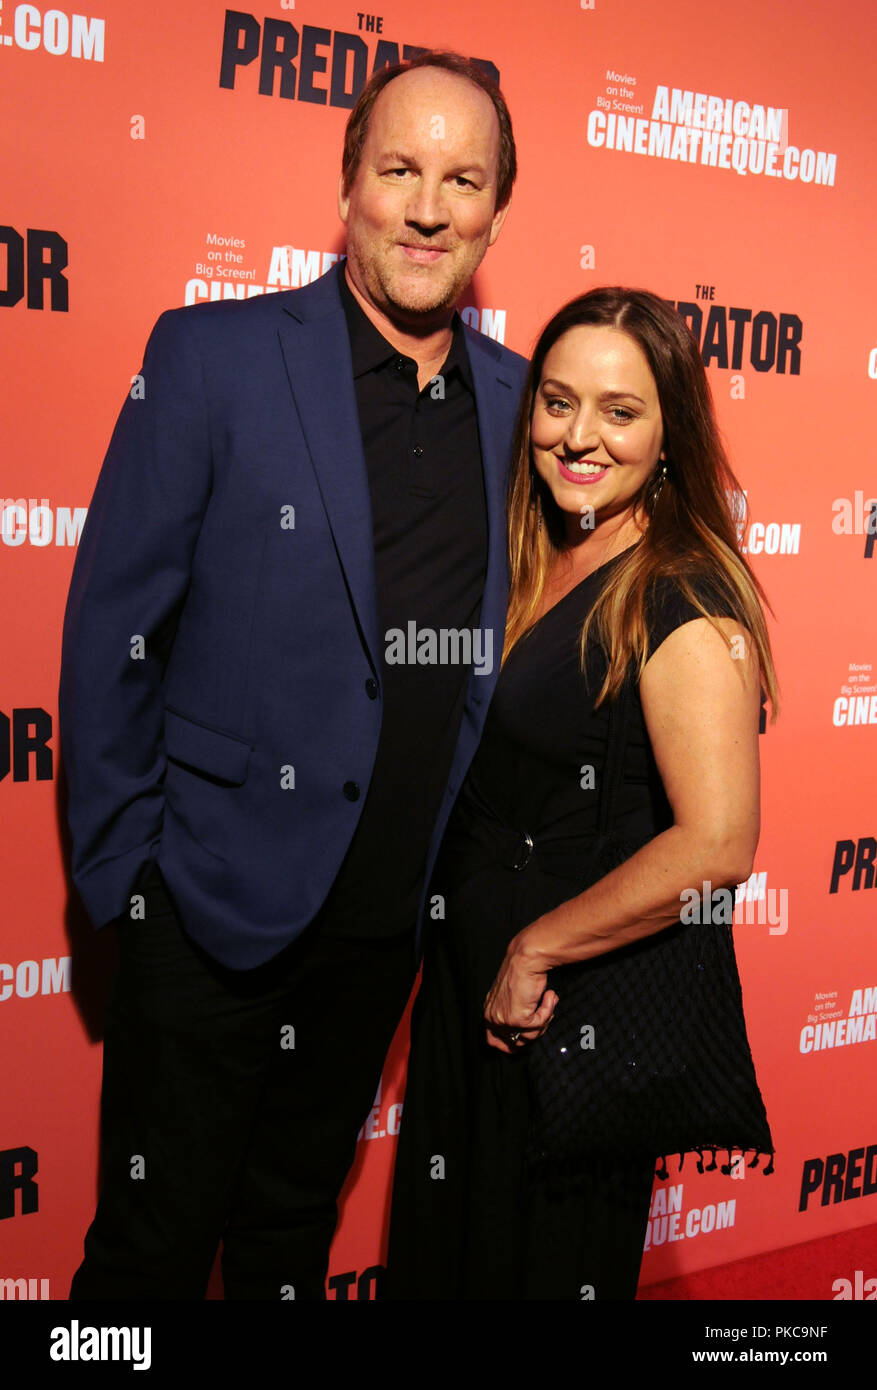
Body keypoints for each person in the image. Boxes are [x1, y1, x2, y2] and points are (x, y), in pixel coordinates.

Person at [59, 52, 528, 1300]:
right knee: (144, 1260)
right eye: (400, 170)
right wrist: (130, 882)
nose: (429, 207)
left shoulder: (525, 408)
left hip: (382, 935)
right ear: (349, 184)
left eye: (462, 179)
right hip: (205, 915)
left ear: (495, 211)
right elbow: (114, 629)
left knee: (286, 1244)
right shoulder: (211, 357)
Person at [387, 287, 777, 1300]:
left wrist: (537, 948)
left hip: (566, 1016)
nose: (579, 436)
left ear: (670, 432)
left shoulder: (678, 592)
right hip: (471, 991)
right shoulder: (537, 554)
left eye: (619, 410)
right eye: (557, 402)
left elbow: (717, 844)